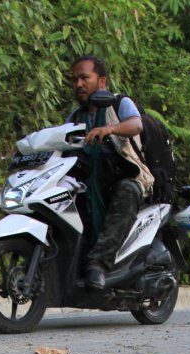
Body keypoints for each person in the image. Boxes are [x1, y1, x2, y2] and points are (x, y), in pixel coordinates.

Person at [67, 55, 154, 290]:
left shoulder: (119, 103)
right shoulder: (75, 116)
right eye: (74, 80)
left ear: (102, 81)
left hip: (126, 177)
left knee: (127, 190)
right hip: (89, 180)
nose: (78, 84)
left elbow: (136, 125)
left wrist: (109, 129)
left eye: (84, 78)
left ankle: (98, 265)